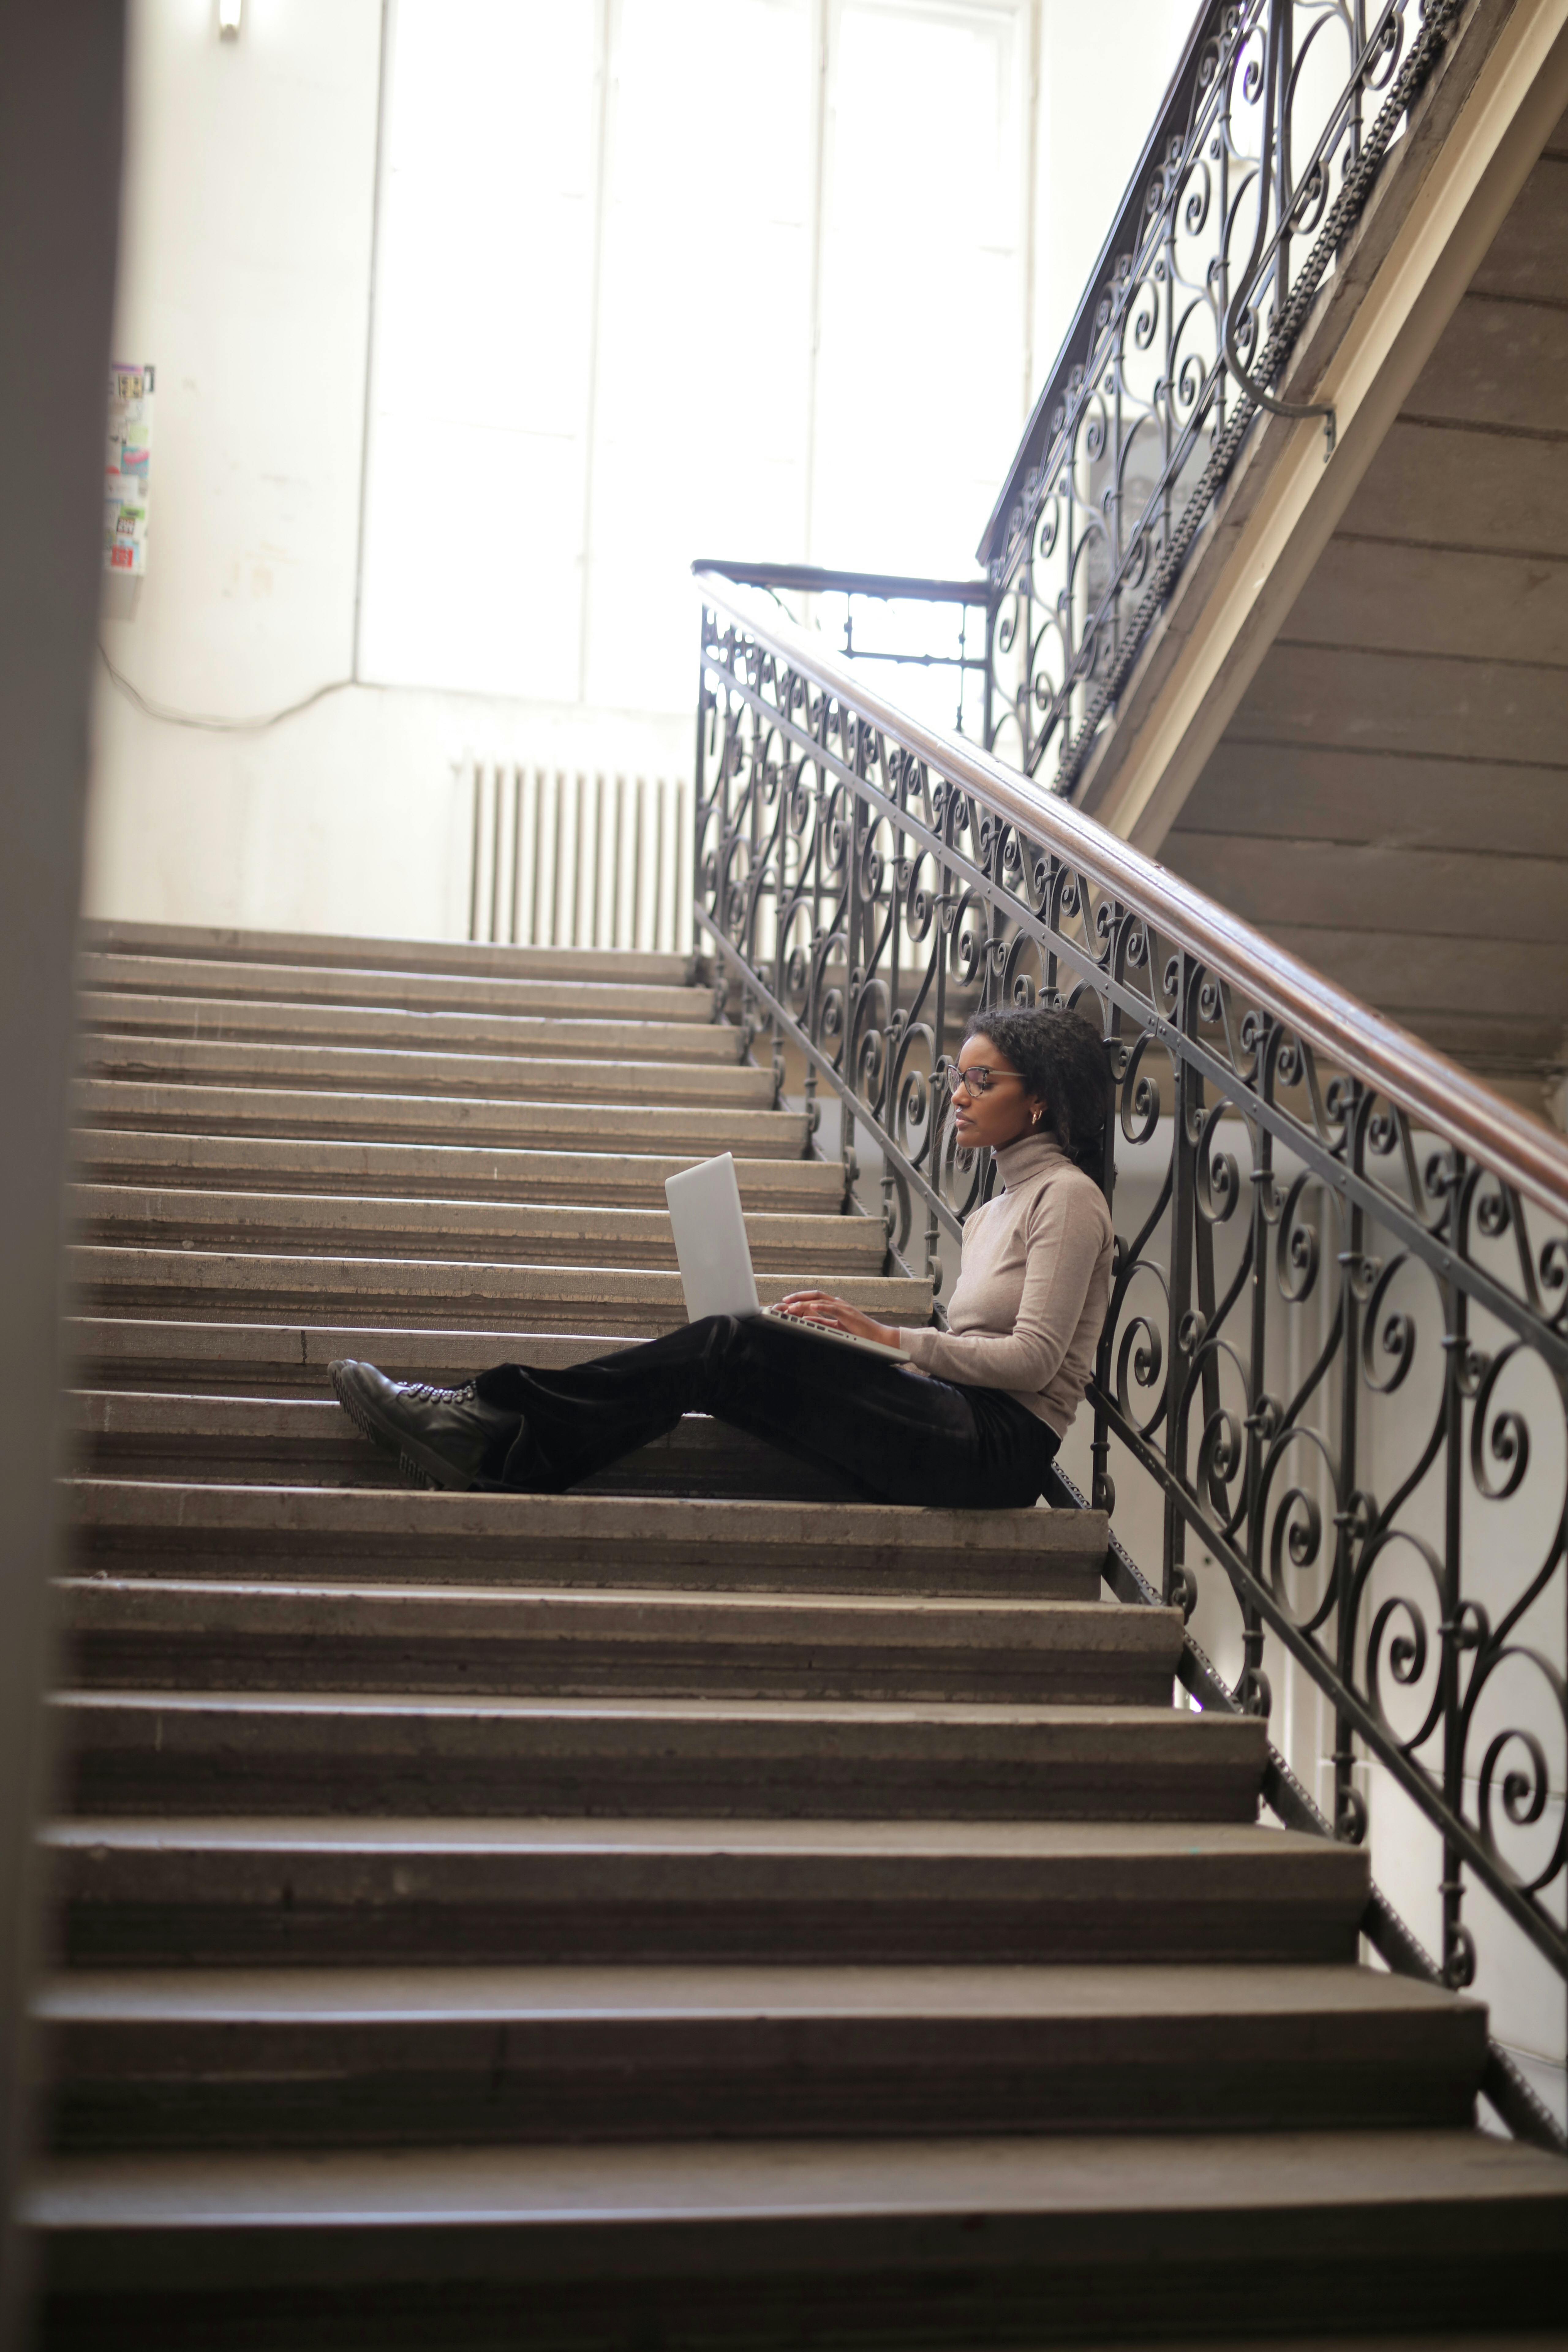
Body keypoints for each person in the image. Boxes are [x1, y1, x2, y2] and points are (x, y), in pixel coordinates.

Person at [329, 1005, 1115, 1510]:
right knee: (731, 1346)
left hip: (996, 1452)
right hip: (952, 1420)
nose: (957, 1094)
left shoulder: (1068, 1197)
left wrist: (885, 1340)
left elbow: (1032, 1361)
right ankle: (497, 1443)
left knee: (729, 1346)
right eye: (955, 1076)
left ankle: (484, 1420)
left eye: (980, 1079)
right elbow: (963, 1360)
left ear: (1038, 1098)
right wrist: (848, 1347)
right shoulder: (992, 1211)